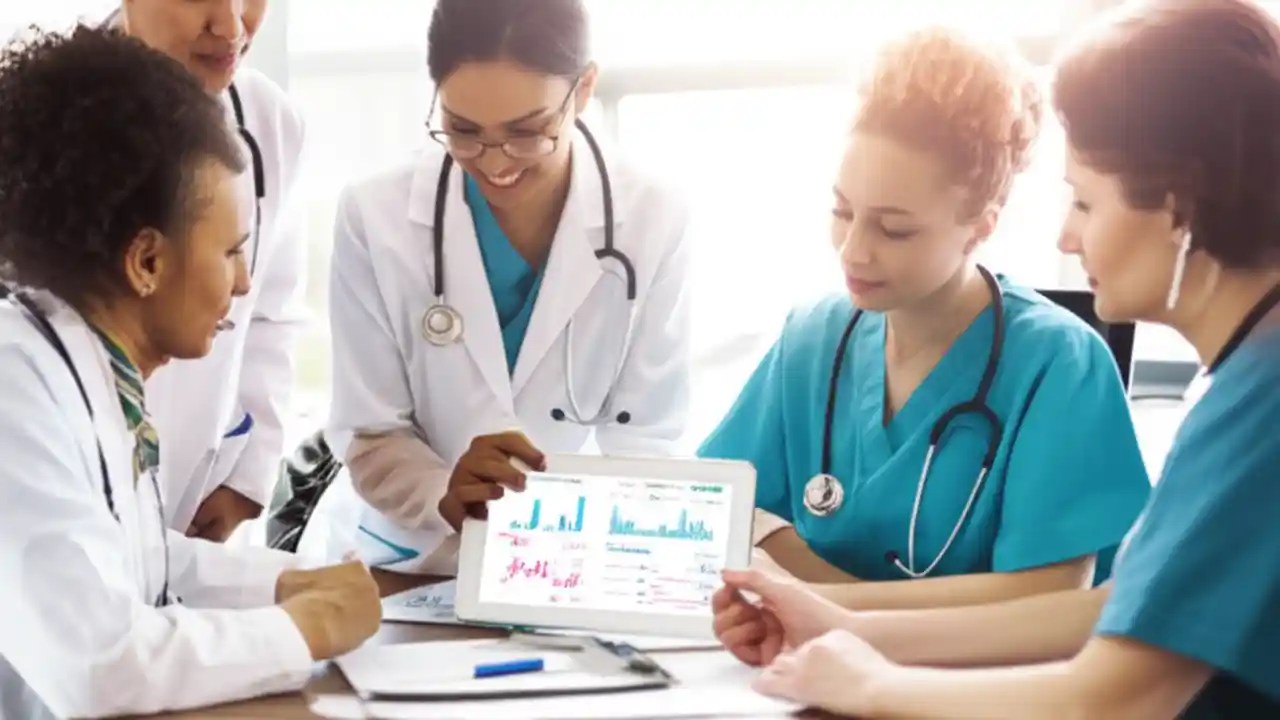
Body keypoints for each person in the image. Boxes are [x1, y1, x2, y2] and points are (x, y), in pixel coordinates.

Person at [713, 0, 1280, 716]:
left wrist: (868, 682)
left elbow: (1107, 699)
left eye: (1083, 202)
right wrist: (847, 625)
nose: (1066, 240)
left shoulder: (1261, 407)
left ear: (1178, 209)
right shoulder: (1246, 383)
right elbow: (1116, 610)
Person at [696, 26, 1150, 607]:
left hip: (985, 692)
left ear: (982, 224)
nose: (853, 250)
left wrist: (809, 587)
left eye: (894, 228)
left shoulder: (1059, 364)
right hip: (803, 674)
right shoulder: (812, 340)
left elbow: (1045, 604)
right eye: (842, 211)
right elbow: (713, 506)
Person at [0, 27, 379, 719]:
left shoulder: (82, 365)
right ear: (146, 262)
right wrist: (305, 628)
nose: (242, 284)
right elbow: (100, 665)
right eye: (231, 251)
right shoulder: (15, 388)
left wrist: (289, 582)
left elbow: (146, 565)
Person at [324, 0, 692, 572]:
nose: (495, 163)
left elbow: (648, 440)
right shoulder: (375, 216)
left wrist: (584, 547)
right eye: (462, 131)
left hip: (571, 562)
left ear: (585, 88)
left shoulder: (653, 219)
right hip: (410, 562)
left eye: (528, 133)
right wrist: (443, 490)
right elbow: (371, 432)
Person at [114, 0, 310, 542]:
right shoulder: (34, 121)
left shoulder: (270, 122)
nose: (231, 25)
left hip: (197, 500)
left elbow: (272, 310)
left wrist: (249, 476)